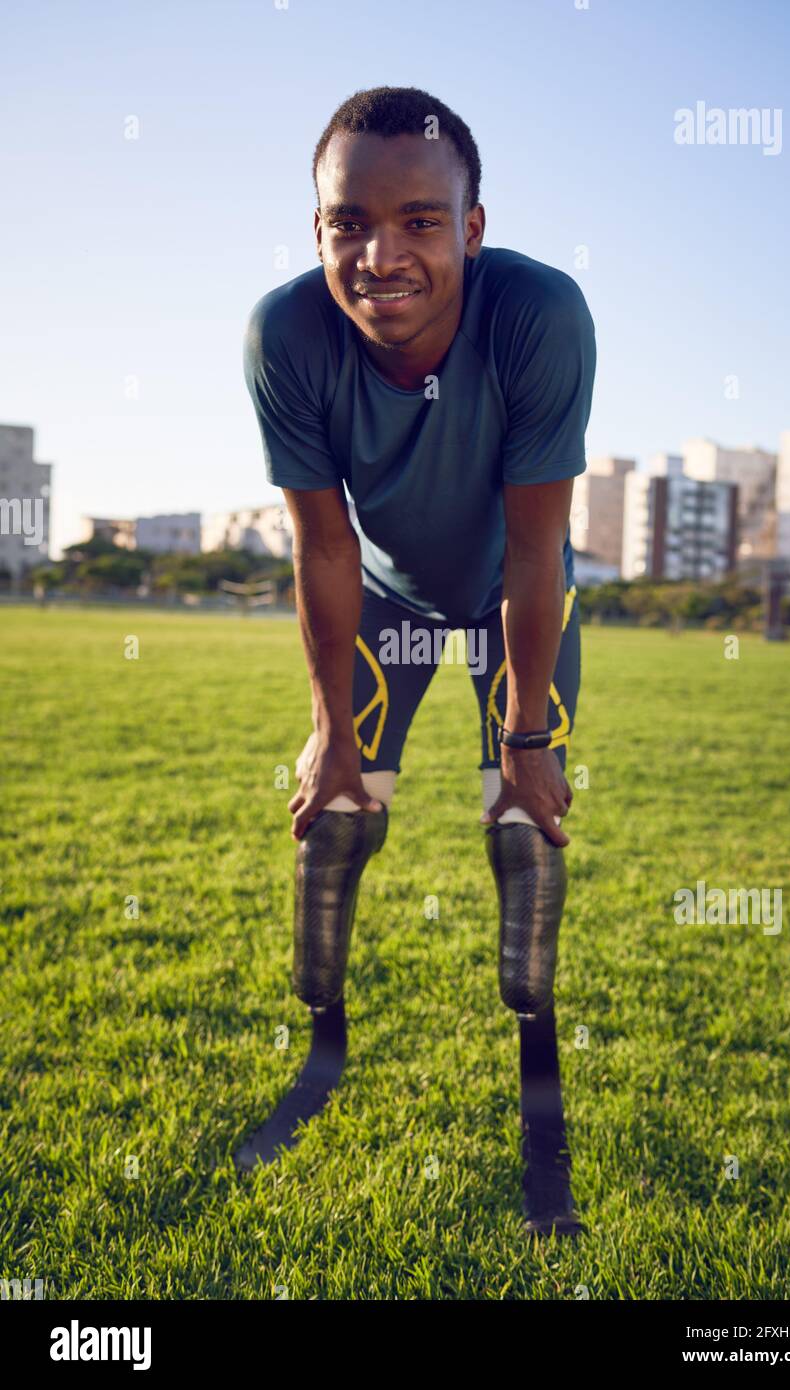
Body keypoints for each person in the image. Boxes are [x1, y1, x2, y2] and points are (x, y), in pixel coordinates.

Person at [234, 86, 596, 1237]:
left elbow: (536, 543)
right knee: (335, 819)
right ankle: (321, 1053)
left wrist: (525, 743)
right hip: (382, 595)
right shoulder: (285, 334)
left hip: (511, 596)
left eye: (420, 222)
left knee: (522, 847)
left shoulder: (538, 314)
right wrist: (333, 735)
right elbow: (323, 540)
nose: (381, 255)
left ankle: (543, 1126)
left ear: (472, 228)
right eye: (350, 223)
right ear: (319, 230)